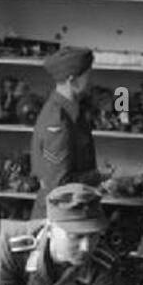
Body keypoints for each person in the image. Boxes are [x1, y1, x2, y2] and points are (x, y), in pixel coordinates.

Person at [30, 47, 98, 218]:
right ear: (72, 80)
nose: (91, 81)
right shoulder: (58, 121)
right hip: (58, 218)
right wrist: (99, 177)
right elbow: (59, 186)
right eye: (87, 76)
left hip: (69, 213)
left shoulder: (72, 112)